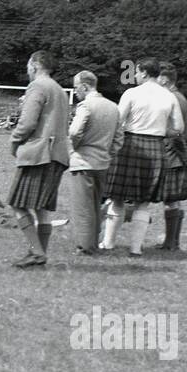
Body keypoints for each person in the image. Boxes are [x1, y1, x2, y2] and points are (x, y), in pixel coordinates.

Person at [101, 58, 183, 256]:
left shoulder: (131, 93)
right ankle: (136, 249)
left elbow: (117, 121)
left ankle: (108, 244)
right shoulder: (169, 96)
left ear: (144, 73)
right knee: (143, 203)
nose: (135, 76)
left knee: (117, 199)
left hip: (130, 145)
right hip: (156, 147)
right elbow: (179, 128)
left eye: (136, 72)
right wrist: (161, 132)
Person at [6, 51, 71, 268]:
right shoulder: (60, 90)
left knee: (18, 205)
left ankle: (37, 253)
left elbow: (27, 123)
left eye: (27, 65)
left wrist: (15, 141)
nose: (27, 70)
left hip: (40, 154)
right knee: (42, 210)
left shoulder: (38, 86)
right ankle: (39, 254)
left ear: (34, 65)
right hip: (58, 155)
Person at [67, 71, 119, 255]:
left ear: (84, 86)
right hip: (103, 163)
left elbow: (74, 132)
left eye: (76, 87)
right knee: (96, 205)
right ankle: (93, 242)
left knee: (82, 206)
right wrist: (108, 153)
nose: (75, 91)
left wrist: (75, 148)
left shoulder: (85, 106)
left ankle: (85, 246)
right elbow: (119, 138)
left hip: (83, 162)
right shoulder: (113, 107)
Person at [155, 62, 187, 251]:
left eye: (157, 77)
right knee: (172, 199)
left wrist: (184, 154)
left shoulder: (174, 99)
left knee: (171, 199)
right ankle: (172, 242)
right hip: (178, 154)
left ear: (164, 79)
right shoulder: (178, 97)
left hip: (173, 155)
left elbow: (177, 132)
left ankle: (171, 243)